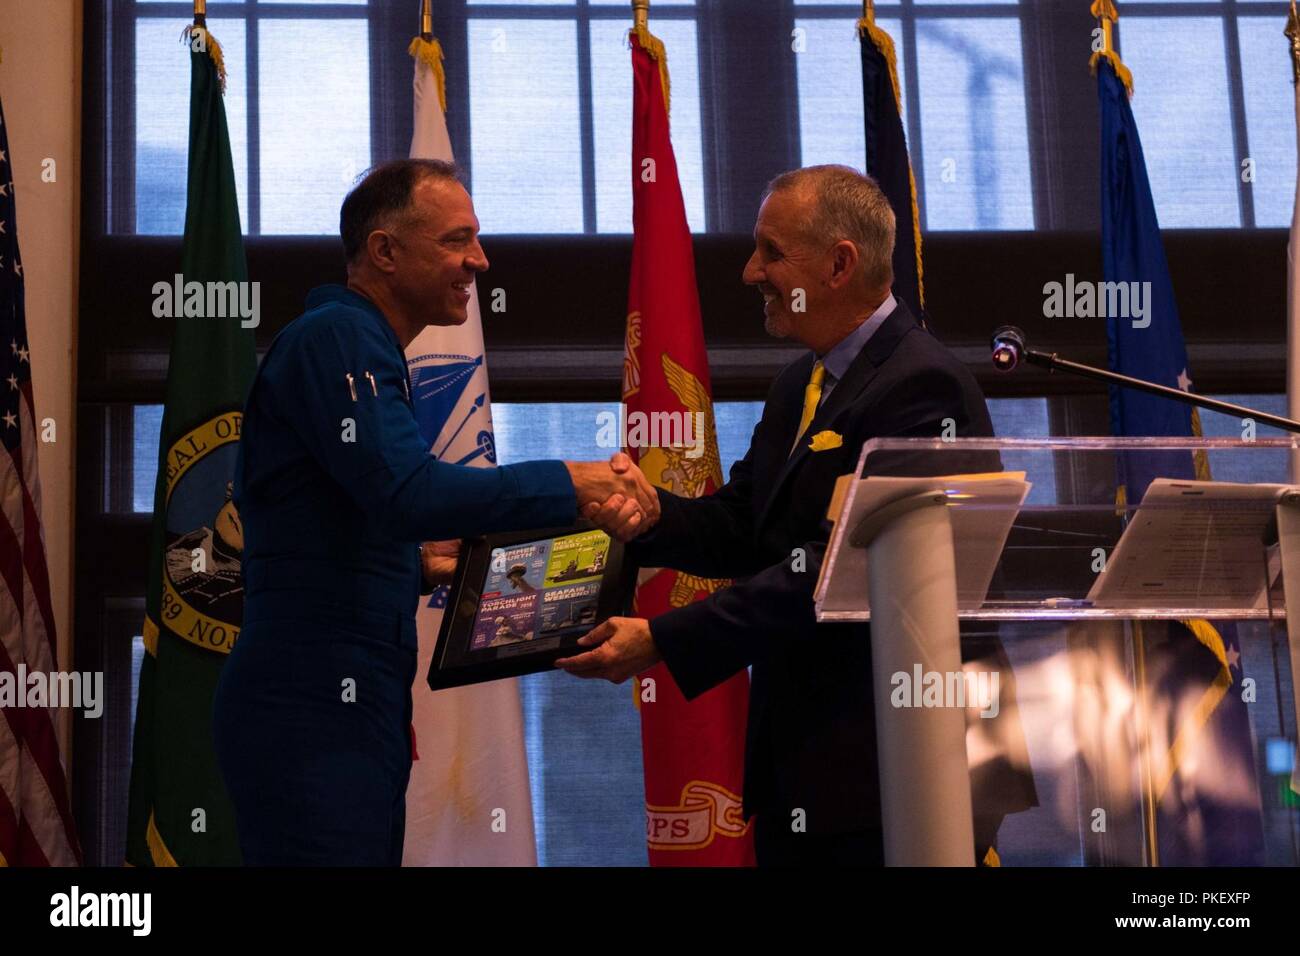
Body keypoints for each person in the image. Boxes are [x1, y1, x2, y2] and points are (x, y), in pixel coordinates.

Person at [558, 165, 1037, 866]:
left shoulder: (921, 385)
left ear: (839, 264)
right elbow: (748, 525)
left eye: (771, 252)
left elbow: (832, 571)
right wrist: (648, 515)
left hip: (901, 768)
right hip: (815, 772)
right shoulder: (800, 383)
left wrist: (664, 638)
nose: (752, 271)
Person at [212, 159, 659, 866]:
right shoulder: (339, 337)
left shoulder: (361, 345)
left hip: (347, 704)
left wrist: (411, 567)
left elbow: (337, 515)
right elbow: (406, 493)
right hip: (312, 709)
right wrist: (572, 481)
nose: (480, 260)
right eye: (458, 240)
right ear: (385, 251)